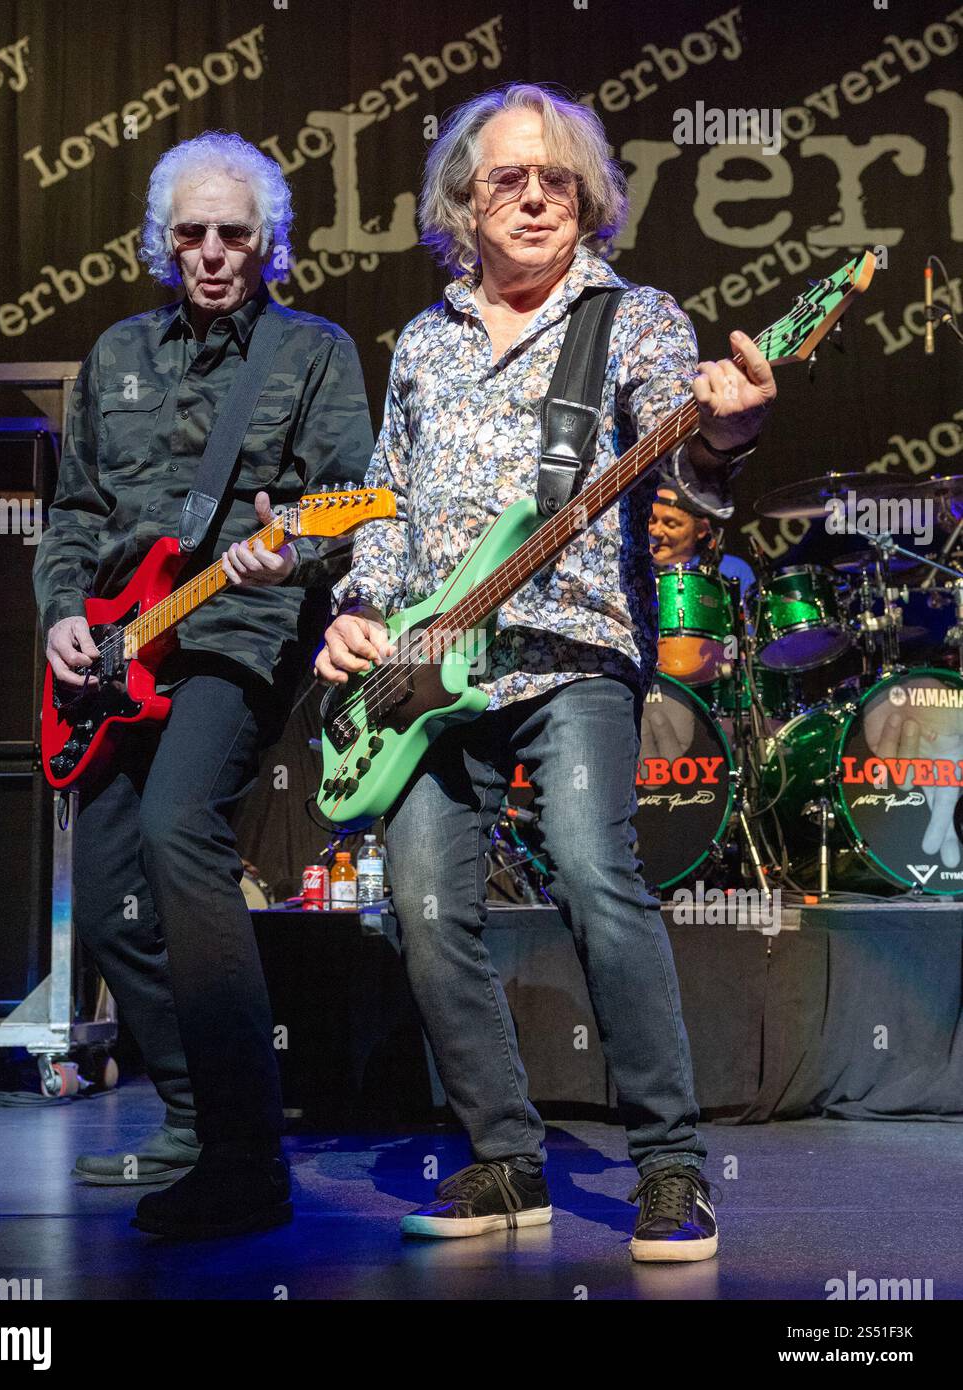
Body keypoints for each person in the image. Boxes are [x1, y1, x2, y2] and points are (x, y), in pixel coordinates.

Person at [315, 84, 775, 1260]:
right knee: (421, 910)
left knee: (590, 869)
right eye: (507, 179)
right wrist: (361, 610)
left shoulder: (631, 320)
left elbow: (692, 471)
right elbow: (388, 503)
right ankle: (505, 1161)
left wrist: (725, 431)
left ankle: (671, 1168)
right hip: (425, 677)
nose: (532, 196)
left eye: (556, 179)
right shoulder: (423, 340)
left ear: (588, 201)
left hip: (570, 655)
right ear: (460, 205)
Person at [33, 132, 373, 1238]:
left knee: (180, 829)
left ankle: (245, 1157)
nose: (215, 251)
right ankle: (188, 1111)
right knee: (108, 875)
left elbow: (347, 502)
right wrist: (60, 616)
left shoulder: (310, 350)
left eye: (235, 232)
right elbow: (77, 514)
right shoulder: (117, 353)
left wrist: (300, 550)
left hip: (240, 630)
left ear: (266, 239)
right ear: (162, 241)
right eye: (193, 233)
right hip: (124, 647)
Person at [649, 482, 756, 594]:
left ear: (700, 530)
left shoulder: (733, 570)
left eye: (670, 524)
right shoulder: (633, 571)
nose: (656, 532)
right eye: (651, 521)